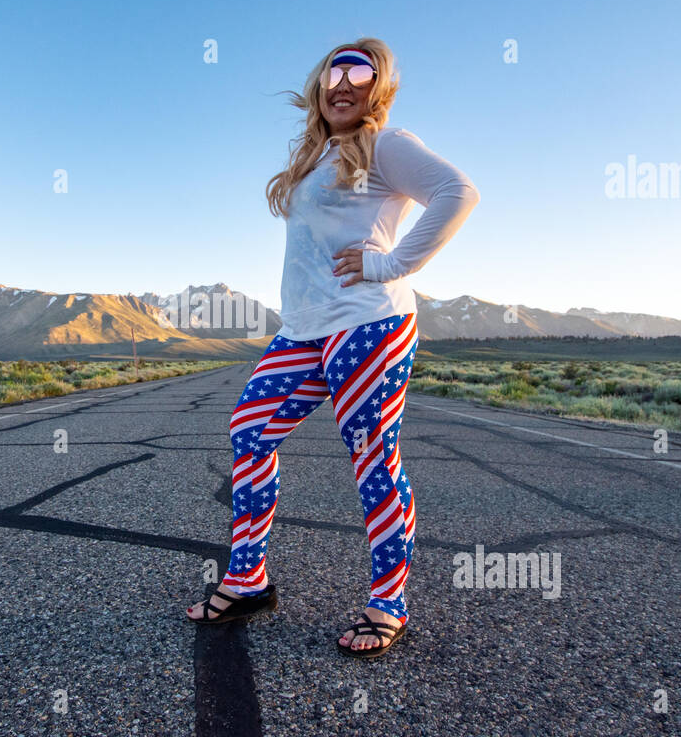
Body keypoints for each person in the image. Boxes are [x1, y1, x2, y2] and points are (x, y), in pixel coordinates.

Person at [184, 38, 481, 658]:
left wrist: (393, 262)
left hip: (370, 324)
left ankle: (387, 603)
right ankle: (248, 580)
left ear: (380, 88)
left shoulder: (386, 144)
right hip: (303, 330)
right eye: (333, 73)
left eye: (360, 73)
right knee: (249, 431)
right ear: (319, 86)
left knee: (372, 457)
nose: (343, 84)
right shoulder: (318, 153)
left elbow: (459, 192)